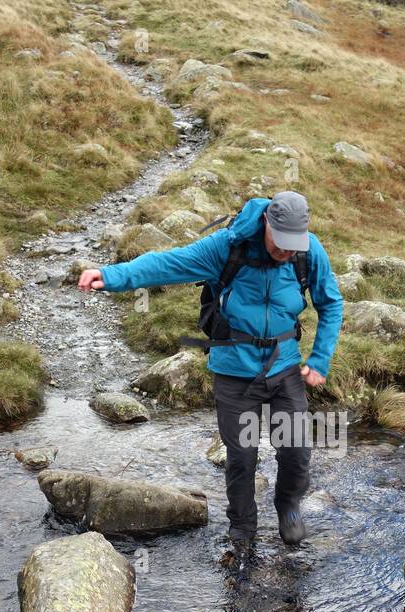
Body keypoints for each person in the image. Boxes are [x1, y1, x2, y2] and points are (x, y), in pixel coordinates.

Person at [77, 191, 343, 547]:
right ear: (266, 223)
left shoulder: (308, 253)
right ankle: (243, 525)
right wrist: (111, 276)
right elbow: (169, 264)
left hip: (284, 367)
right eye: (281, 243)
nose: (287, 252)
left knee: (295, 449)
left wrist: (319, 359)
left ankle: (288, 505)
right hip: (234, 370)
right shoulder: (228, 247)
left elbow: (331, 304)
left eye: (293, 245)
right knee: (242, 457)